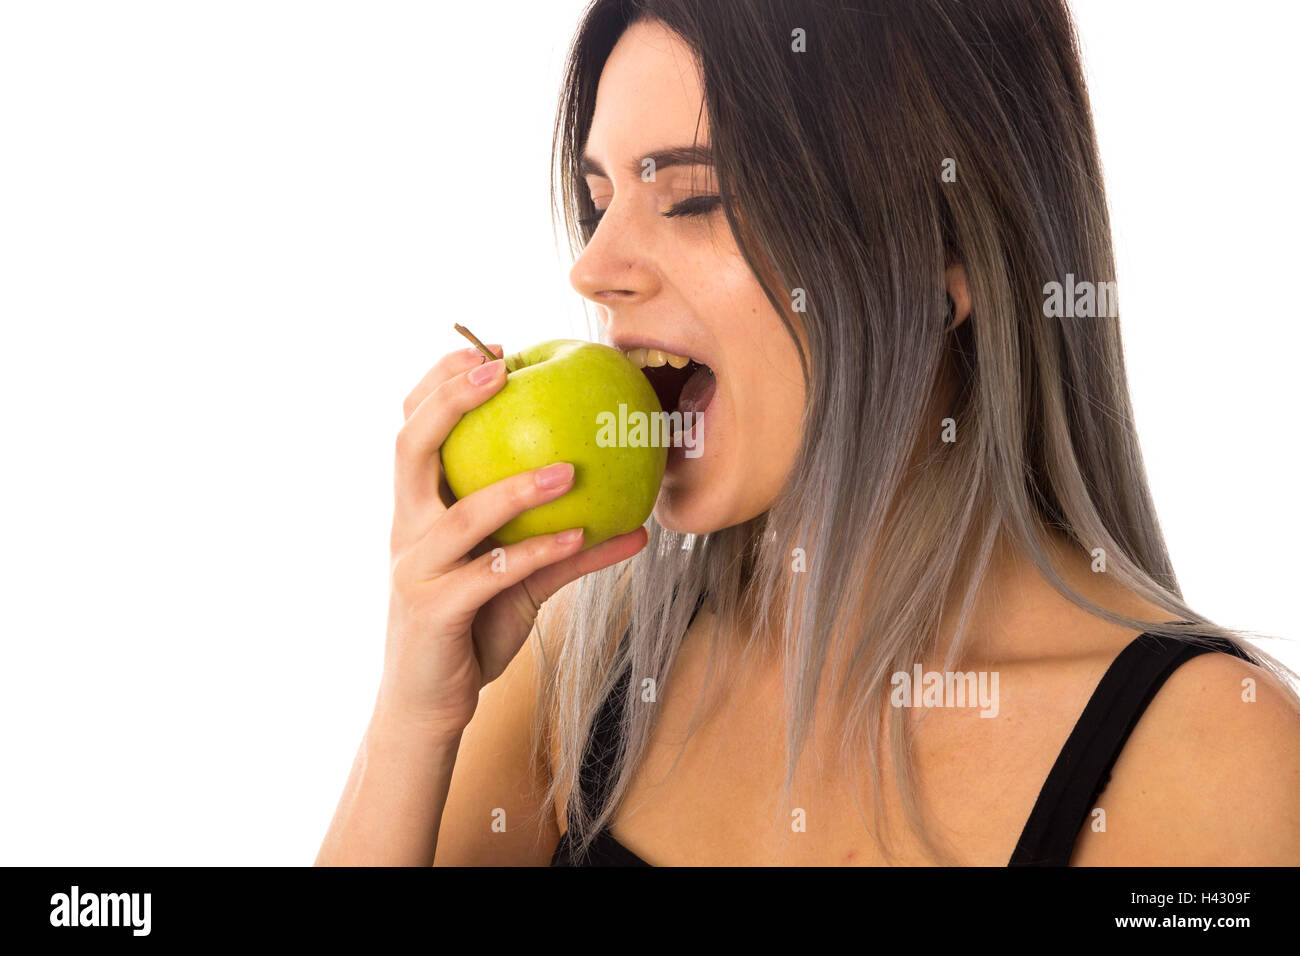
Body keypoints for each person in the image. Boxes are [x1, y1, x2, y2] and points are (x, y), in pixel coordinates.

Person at [316, 0, 1300, 866]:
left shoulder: (1208, 757)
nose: (594, 267)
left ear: (941, 251)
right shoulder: (581, 660)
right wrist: (416, 712)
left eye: (693, 198)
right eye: (600, 197)